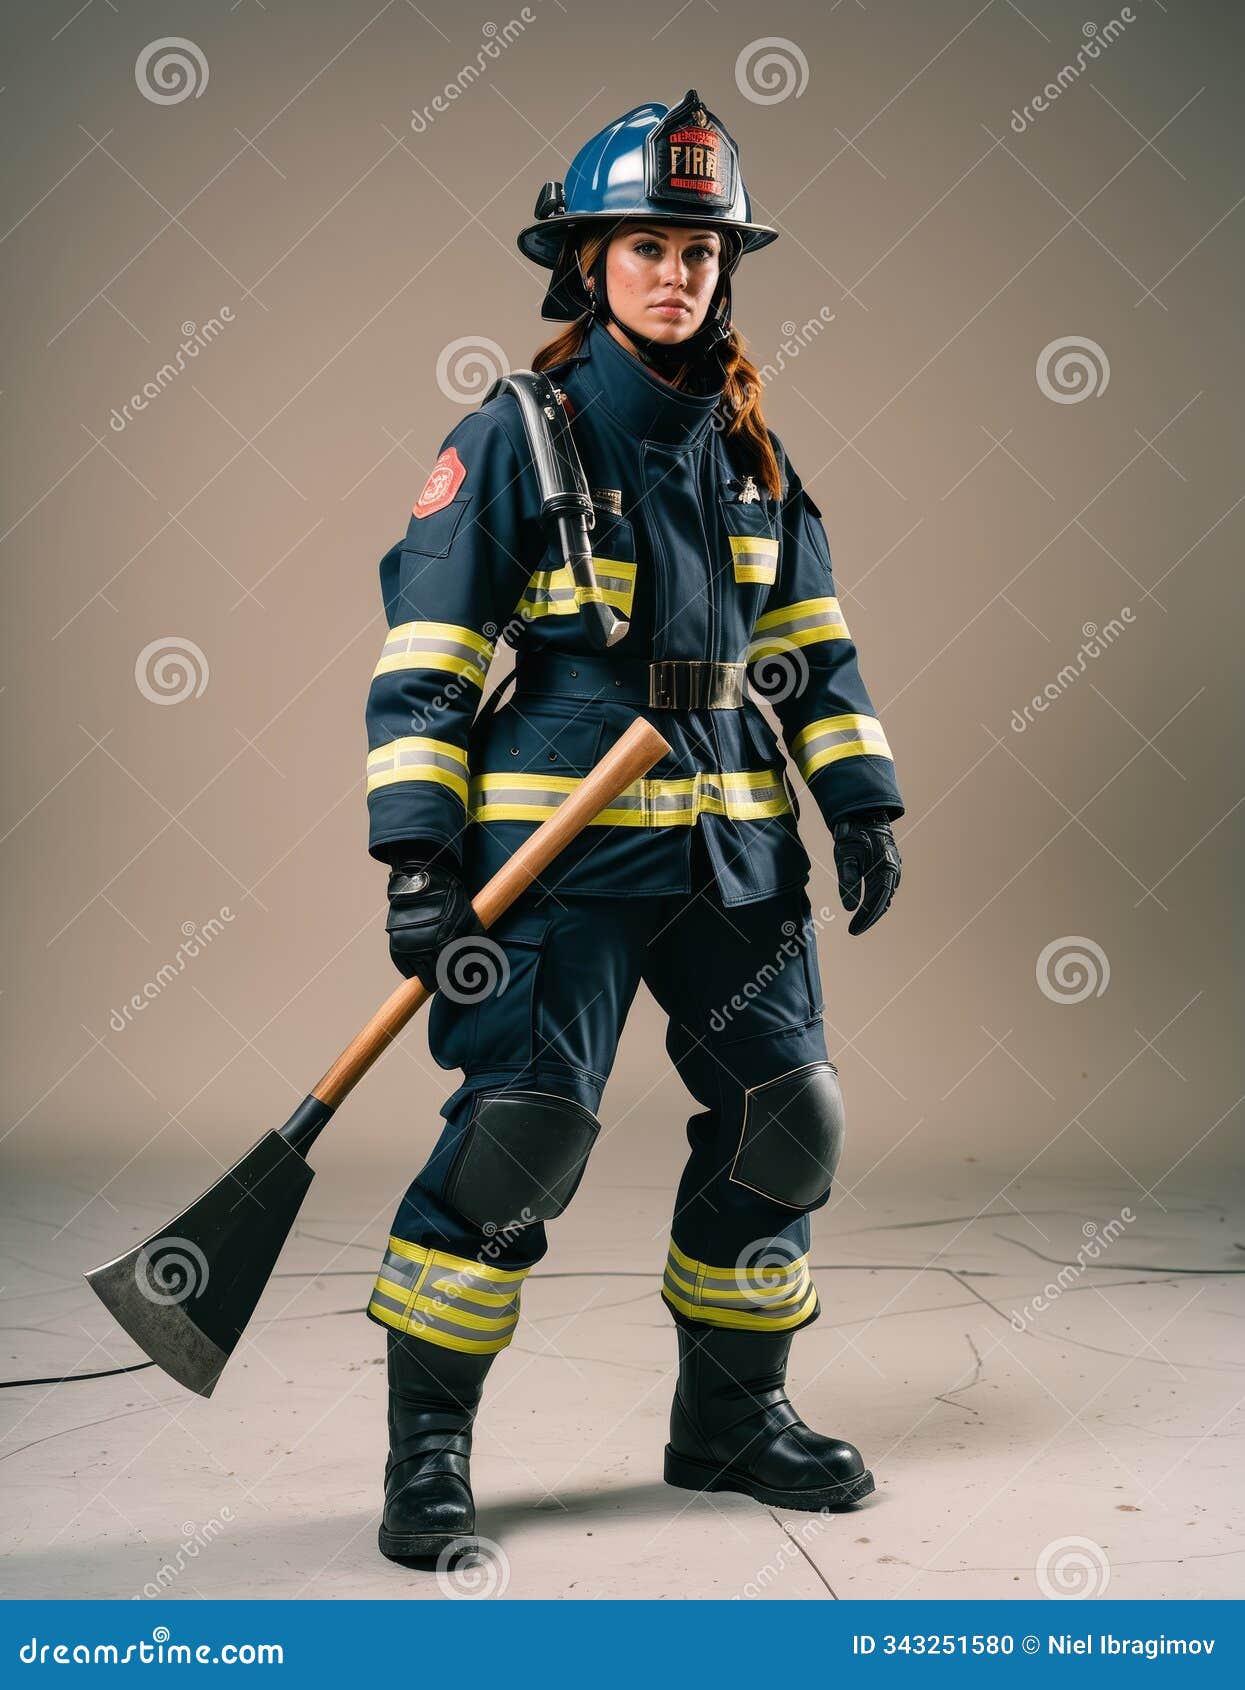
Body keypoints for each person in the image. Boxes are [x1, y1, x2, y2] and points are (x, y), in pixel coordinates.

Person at [362, 89, 904, 1565]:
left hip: (730, 847)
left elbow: (808, 649)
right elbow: (427, 655)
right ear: (586, 263)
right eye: (648, 245)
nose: (678, 272)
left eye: (702, 250)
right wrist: (417, 854)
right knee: (520, 1141)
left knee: (789, 1120)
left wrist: (857, 800)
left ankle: (728, 1419)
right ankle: (428, 1453)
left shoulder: (750, 454)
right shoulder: (512, 437)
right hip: (558, 859)